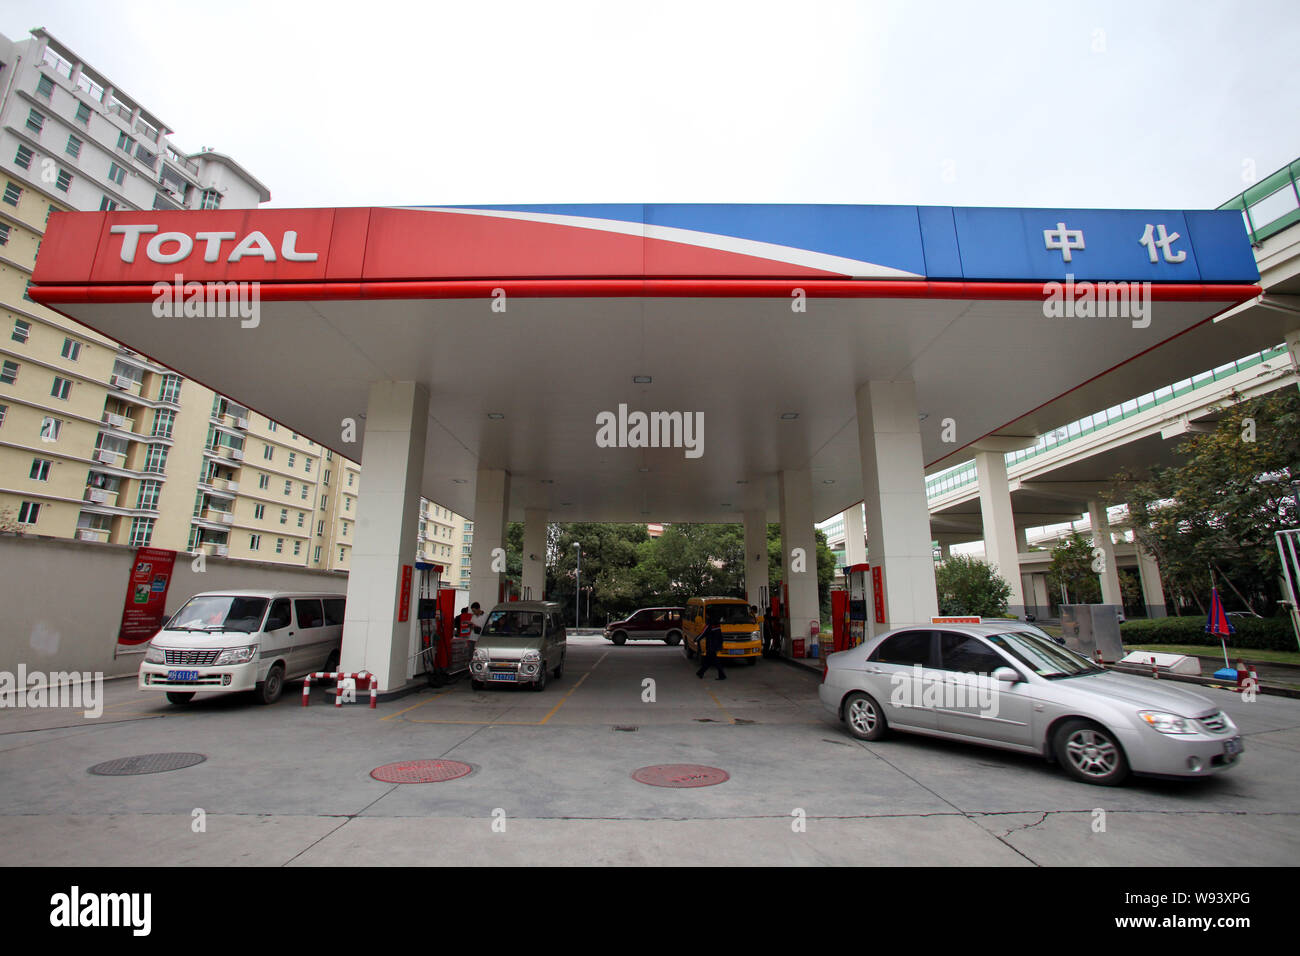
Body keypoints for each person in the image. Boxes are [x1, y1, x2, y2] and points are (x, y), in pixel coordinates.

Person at [696, 616, 727, 681]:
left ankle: (722, 675)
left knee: (713, 661)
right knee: (710, 660)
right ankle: (700, 672)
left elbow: (703, 634)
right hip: (716, 646)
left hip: (710, 646)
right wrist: (720, 645)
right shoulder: (718, 626)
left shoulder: (709, 626)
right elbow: (720, 637)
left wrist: (696, 639)